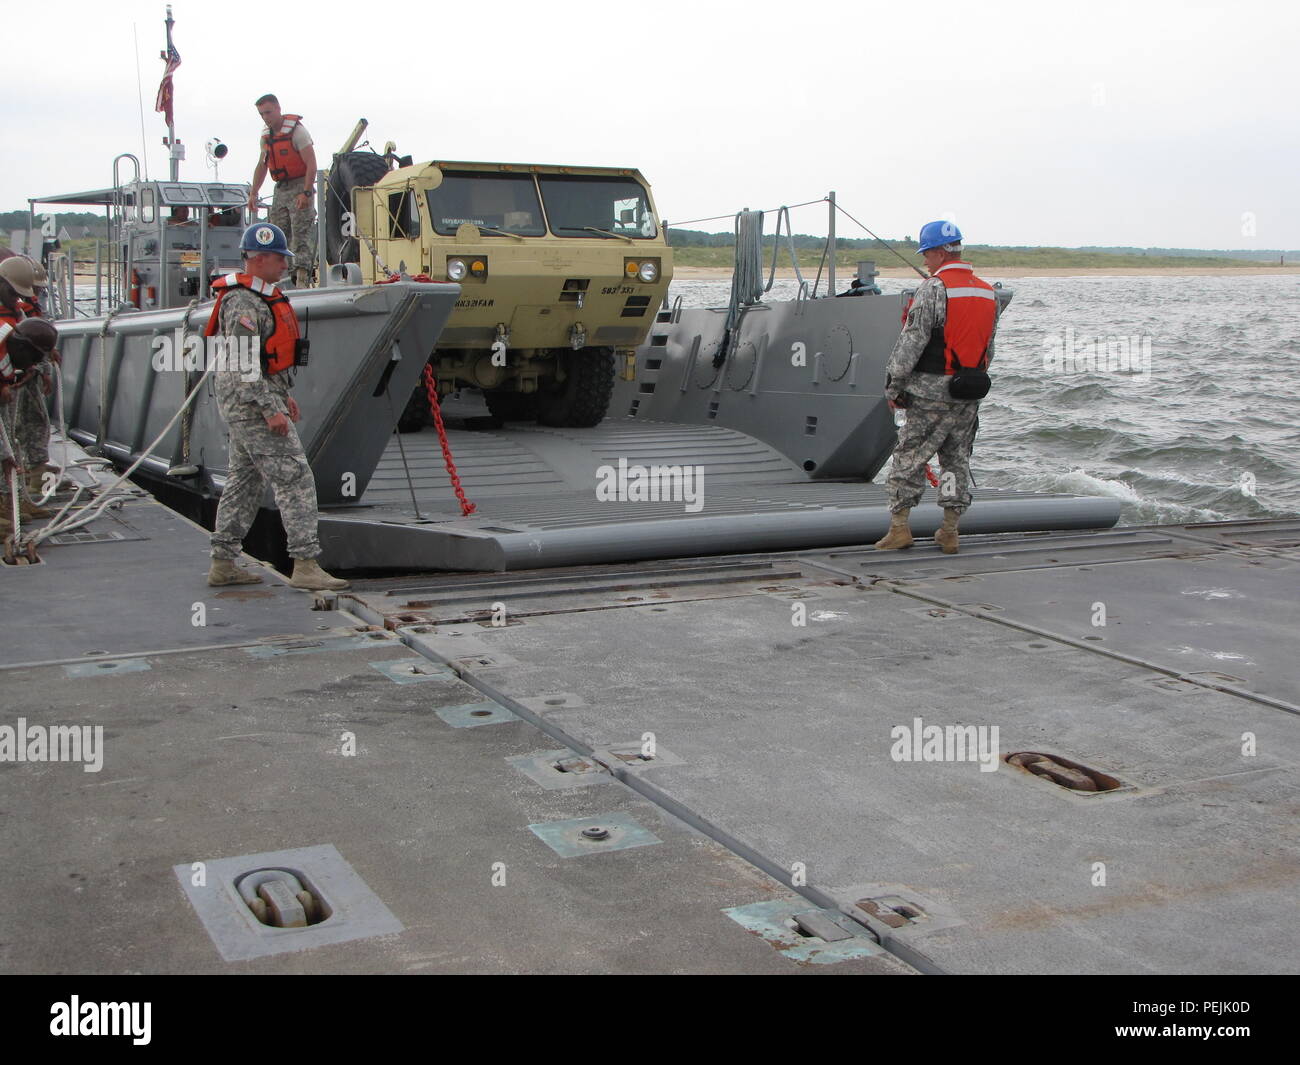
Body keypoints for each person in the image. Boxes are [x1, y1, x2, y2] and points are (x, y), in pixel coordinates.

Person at [206, 222, 347, 591]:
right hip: (249, 403)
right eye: (280, 259)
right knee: (294, 475)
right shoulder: (243, 302)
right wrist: (270, 409)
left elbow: (262, 363)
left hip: (251, 399)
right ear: (261, 257)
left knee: (244, 479)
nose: (285, 265)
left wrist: (282, 396)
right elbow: (243, 363)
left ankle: (223, 562)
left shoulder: (258, 297)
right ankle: (305, 564)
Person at [875, 220, 1000, 555]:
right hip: (970, 391)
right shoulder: (988, 292)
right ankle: (949, 530)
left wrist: (893, 386)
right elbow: (988, 348)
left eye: (926, 254)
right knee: (956, 460)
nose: (926, 261)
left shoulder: (934, 289)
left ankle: (900, 528)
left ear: (938, 251)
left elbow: (912, 342)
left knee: (909, 457)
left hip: (931, 391)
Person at [248, 95, 317, 289]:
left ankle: (302, 278)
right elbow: (262, 165)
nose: (265, 117)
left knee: (300, 234)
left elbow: (311, 163)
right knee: (275, 233)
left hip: (299, 185)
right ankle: (271, 278)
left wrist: (306, 192)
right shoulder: (266, 136)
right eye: (261, 114)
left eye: (268, 112)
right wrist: (253, 192)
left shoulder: (297, 132)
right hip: (281, 188)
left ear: (278, 109)